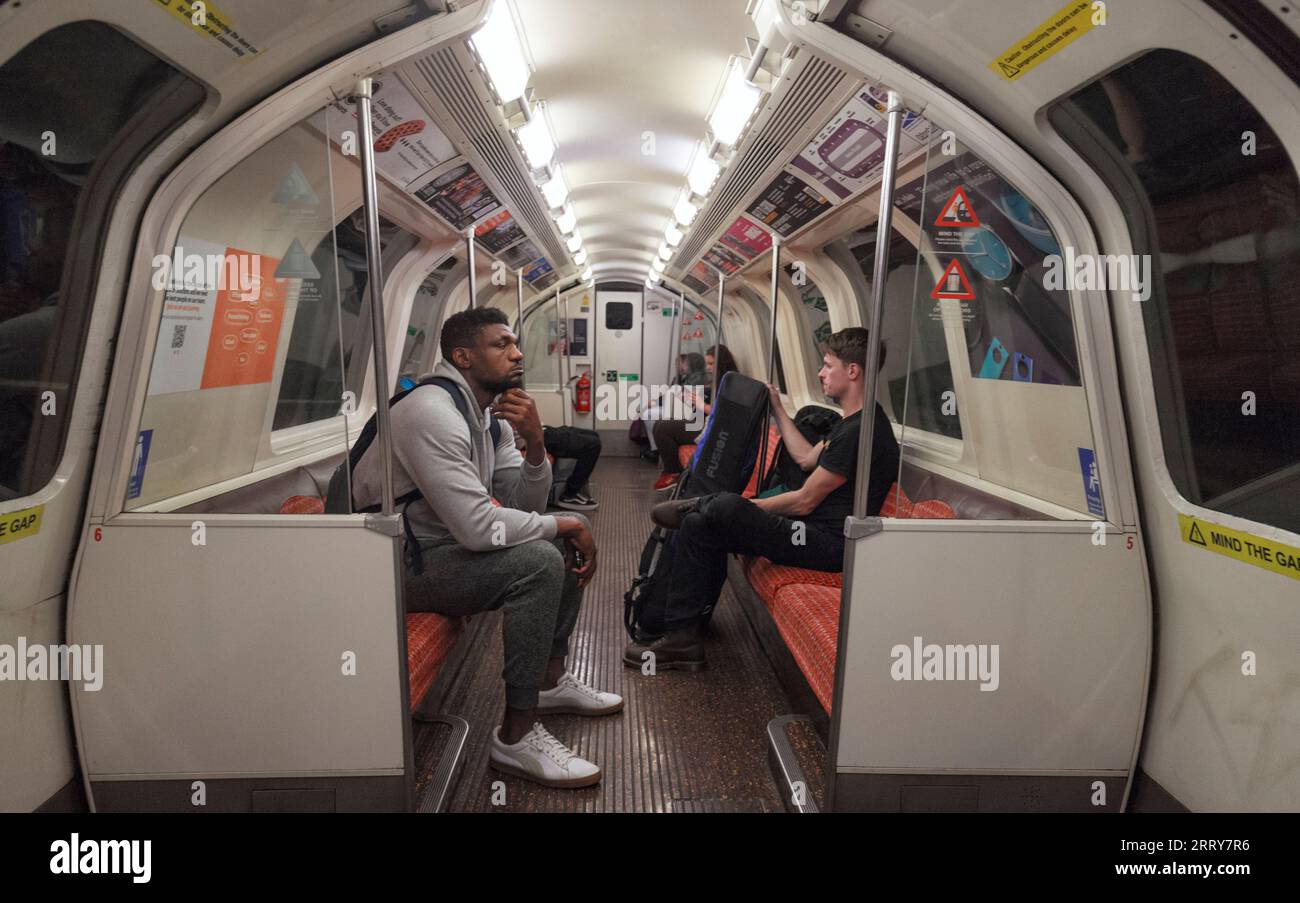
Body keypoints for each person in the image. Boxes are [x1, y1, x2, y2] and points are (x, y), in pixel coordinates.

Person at [352, 307, 622, 788]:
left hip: (434, 551)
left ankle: (551, 680)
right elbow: (481, 529)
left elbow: (521, 503)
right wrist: (566, 522)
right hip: (380, 565)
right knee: (541, 558)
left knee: (552, 543)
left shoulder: (487, 419)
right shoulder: (431, 413)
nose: (518, 354)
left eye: (515, 343)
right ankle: (515, 737)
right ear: (463, 356)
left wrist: (536, 445)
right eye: (501, 345)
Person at [626, 328, 899, 670]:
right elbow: (804, 458)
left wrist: (742, 510)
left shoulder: (864, 431)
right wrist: (778, 408)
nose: (820, 373)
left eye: (828, 366)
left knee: (720, 508)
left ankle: (702, 505)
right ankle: (685, 635)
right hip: (807, 530)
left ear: (853, 371)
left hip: (829, 544)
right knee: (699, 525)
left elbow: (804, 502)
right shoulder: (848, 424)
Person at [650, 344, 738, 491]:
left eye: (711, 363)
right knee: (659, 424)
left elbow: (725, 413)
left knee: (663, 429)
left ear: (721, 363)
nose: (708, 367)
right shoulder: (718, 380)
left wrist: (702, 405)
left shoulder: (732, 383)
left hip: (717, 432)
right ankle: (672, 472)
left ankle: (673, 473)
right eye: (707, 363)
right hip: (705, 423)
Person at [638, 352, 708, 463]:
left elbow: (683, 396)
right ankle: (655, 447)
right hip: (674, 405)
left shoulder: (695, 379)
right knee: (648, 413)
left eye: (680, 363)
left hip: (684, 409)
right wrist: (656, 402)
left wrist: (656, 403)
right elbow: (669, 394)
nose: (678, 366)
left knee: (650, 415)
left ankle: (657, 450)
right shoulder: (679, 378)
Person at [541, 424, 601, 510]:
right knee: (594, 445)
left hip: (542, 430)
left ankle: (574, 489)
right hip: (536, 437)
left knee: (593, 434)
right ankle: (569, 494)